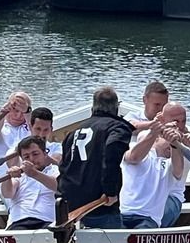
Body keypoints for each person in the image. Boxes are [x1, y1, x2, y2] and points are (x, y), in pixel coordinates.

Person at [56, 86, 133, 229]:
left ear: (93, 107)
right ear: (116, 107)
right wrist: (110, 191)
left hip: (69, 202)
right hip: (99, 203)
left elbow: (64, 167)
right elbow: (111, 157)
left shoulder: (74, 132)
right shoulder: (117, 128)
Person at [118, 113, 187, 230]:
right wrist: (154, 130)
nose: (170, 146)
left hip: (148, 219)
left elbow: (178, 172)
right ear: (158, 138)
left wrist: (175, 145)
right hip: (123, 214)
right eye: (168, 140)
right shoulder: (135, 150)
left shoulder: (171, 162)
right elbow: (134, 158)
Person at [1, 136, 59, 229]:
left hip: (47, 222)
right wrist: (8, 177)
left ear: (44, 154)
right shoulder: (19, 175)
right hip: (19, 222)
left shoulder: (55, 171)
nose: (31, 159)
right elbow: (7, 194)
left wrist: (34, 173)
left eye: (35, 154)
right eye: (26, 157)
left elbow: (58, 186)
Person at [0, 91, 33, 175]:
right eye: (15, 110)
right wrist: (3, 112)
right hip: (4, 179)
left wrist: (28, 111)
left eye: (22, 112)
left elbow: (39, 136)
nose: (18, 116)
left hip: (29, 178)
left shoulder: (31, 126)